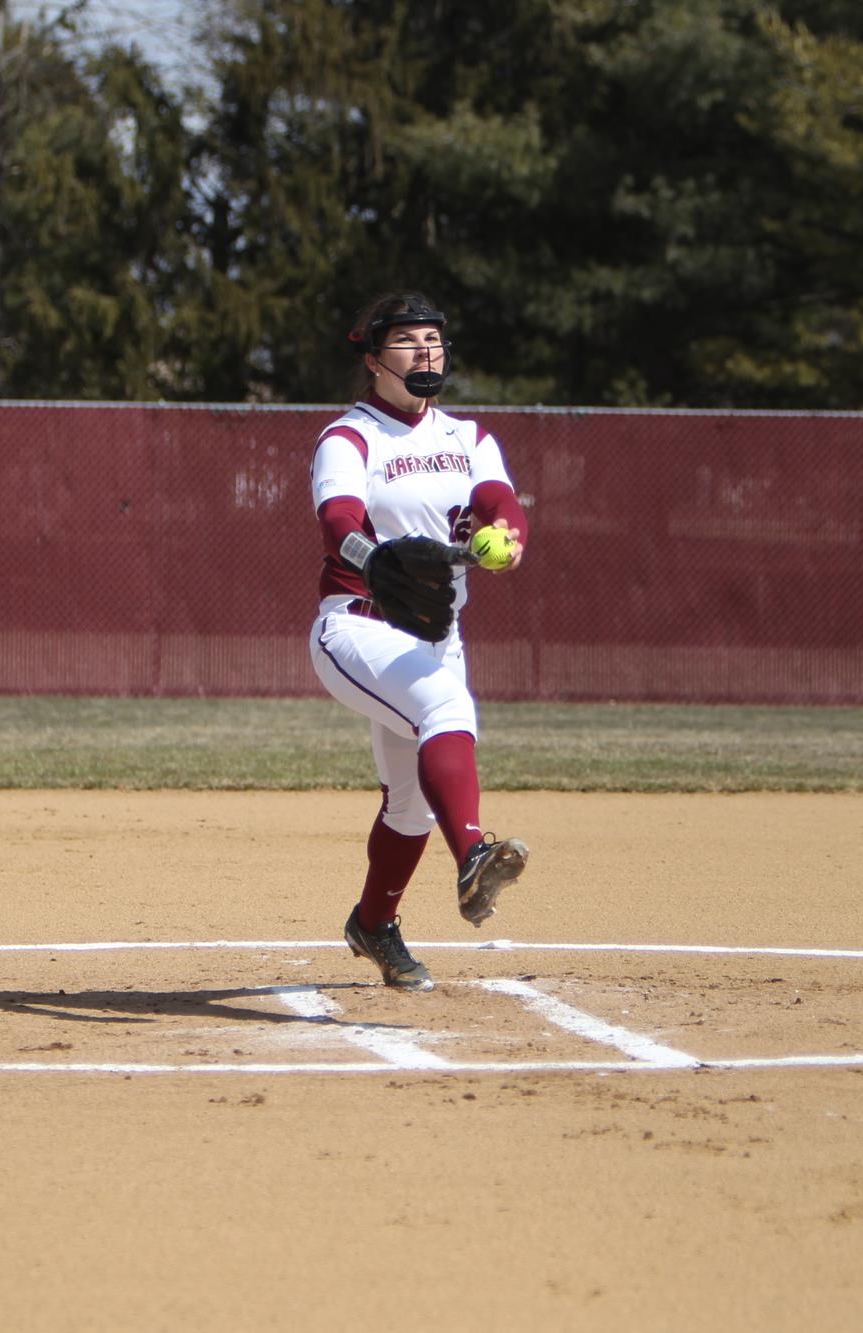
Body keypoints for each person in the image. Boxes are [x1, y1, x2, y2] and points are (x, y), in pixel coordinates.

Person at [306, 291, 531, 992]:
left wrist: (510, 535)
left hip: (437, 633)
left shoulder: (467, 436)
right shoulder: (351, 435)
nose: (424, 350)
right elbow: (337, 515)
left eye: (434, 338)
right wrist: (372, 557)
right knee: (445, 707)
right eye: (406, 340)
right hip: (359, 623)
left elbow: (499, 500)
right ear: (372, 358)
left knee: (407, 802)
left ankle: (374, 923)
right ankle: (471, 855)